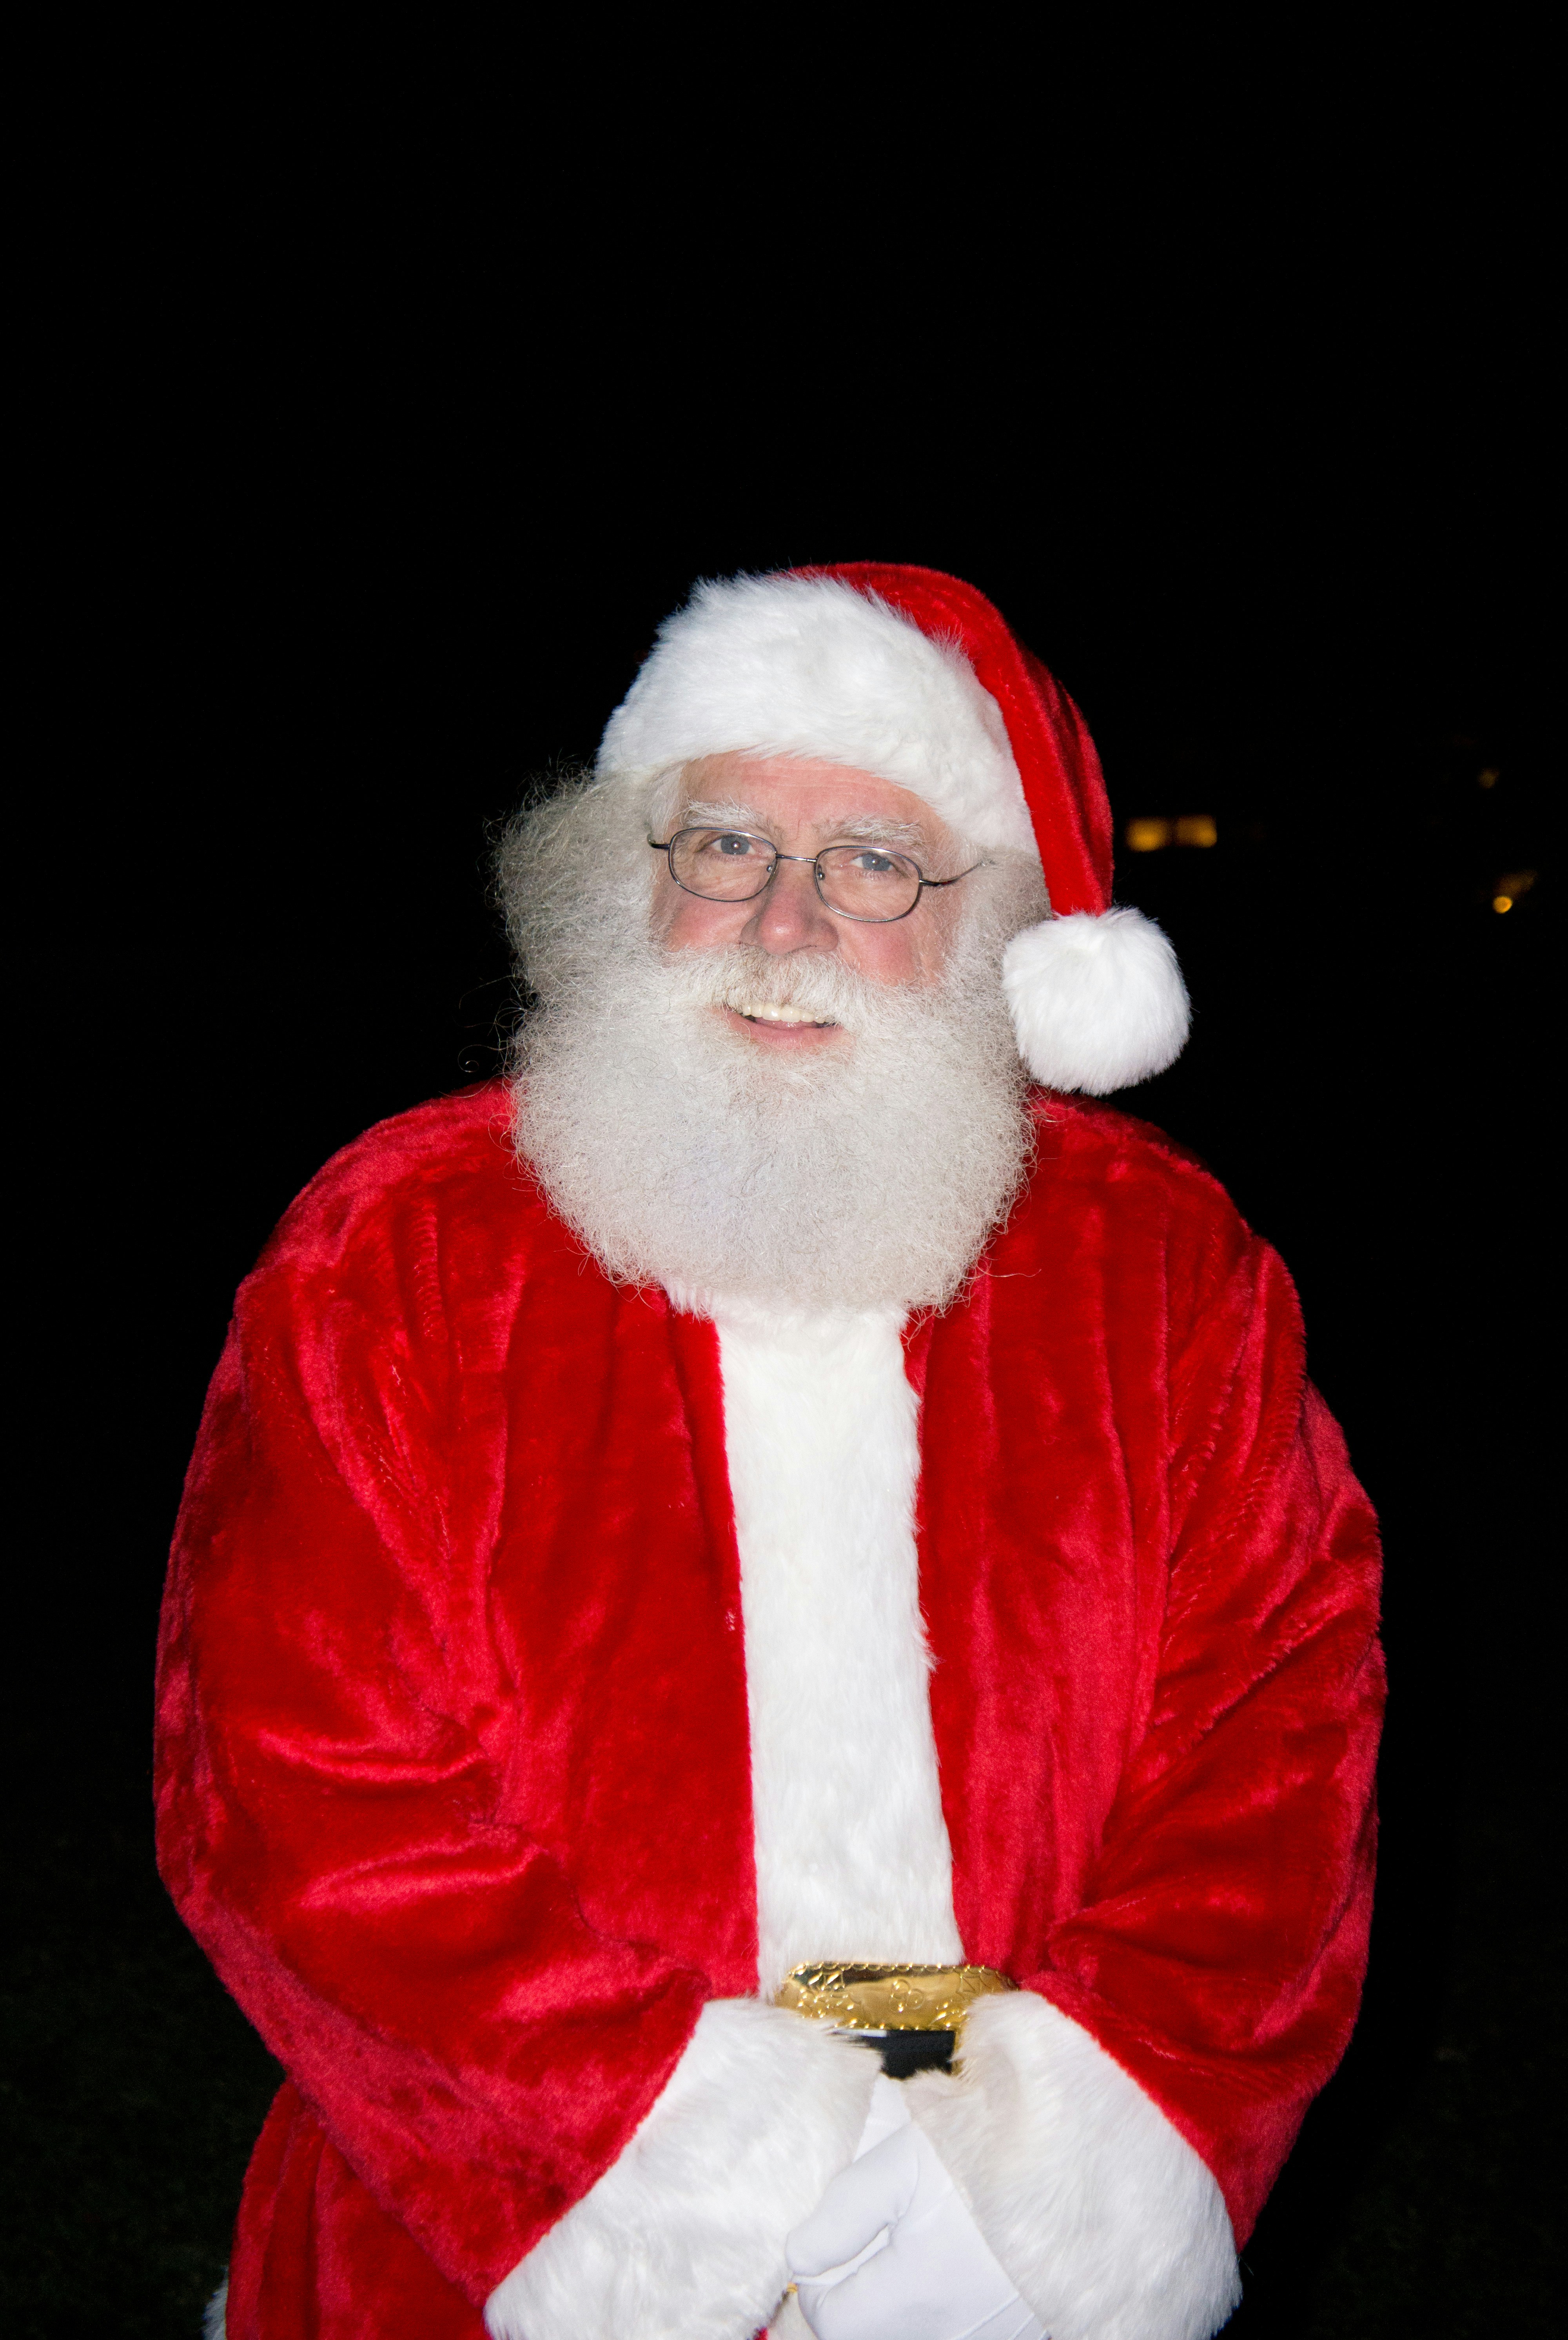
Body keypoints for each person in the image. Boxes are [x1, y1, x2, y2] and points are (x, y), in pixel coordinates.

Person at [157, 565, 1384, 2340]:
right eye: (723, 846)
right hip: (489, 2241)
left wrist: (1054, 2189)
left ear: (997, 933)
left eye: (876, 864)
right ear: (629, 881)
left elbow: (1278, 1752)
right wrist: (677, 2157)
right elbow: (293, 1790)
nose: (785, 925)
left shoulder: (1170, 1277)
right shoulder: (397, 1251)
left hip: (1012, 2276)